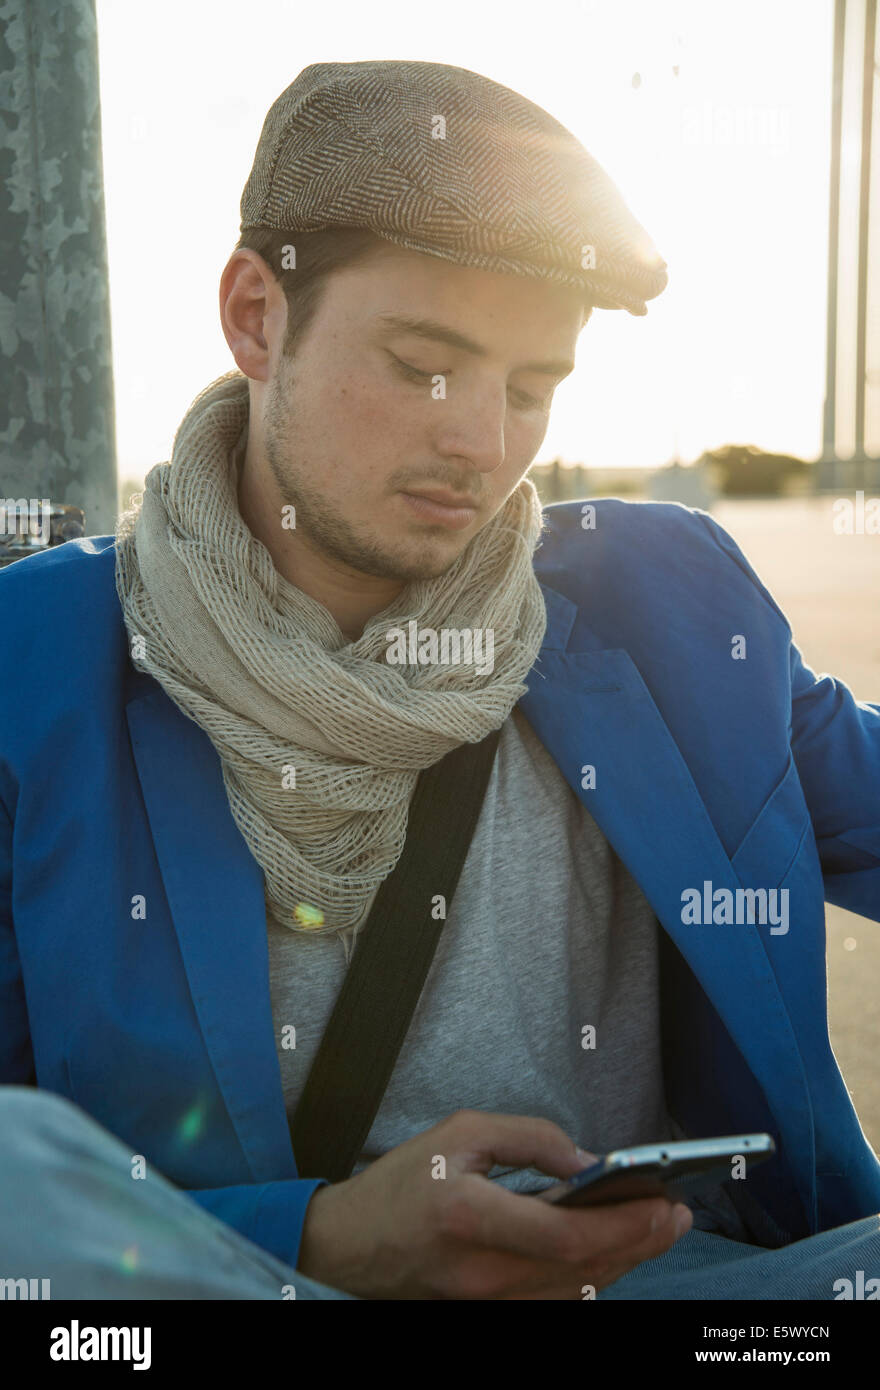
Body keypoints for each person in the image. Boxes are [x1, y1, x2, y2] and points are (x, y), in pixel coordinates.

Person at [1, 59, 878, 1302]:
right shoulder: (38, 659)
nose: (483, 443)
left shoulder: (668, 604)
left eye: (530, 388)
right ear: (257, 315)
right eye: (424, 363)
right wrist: (319, 1238)